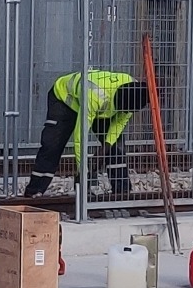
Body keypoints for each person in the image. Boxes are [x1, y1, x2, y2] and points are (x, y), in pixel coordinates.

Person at [22, 71, 151, 197]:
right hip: (64, 100)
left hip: (102, 109)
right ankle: (34, 190)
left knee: (115, 147)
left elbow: (118, 125)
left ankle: (122, 192)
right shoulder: (94, 95)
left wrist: (103, 149)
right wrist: (83, 170)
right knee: (52, 145)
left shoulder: (134, 93)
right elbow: (80, 137)